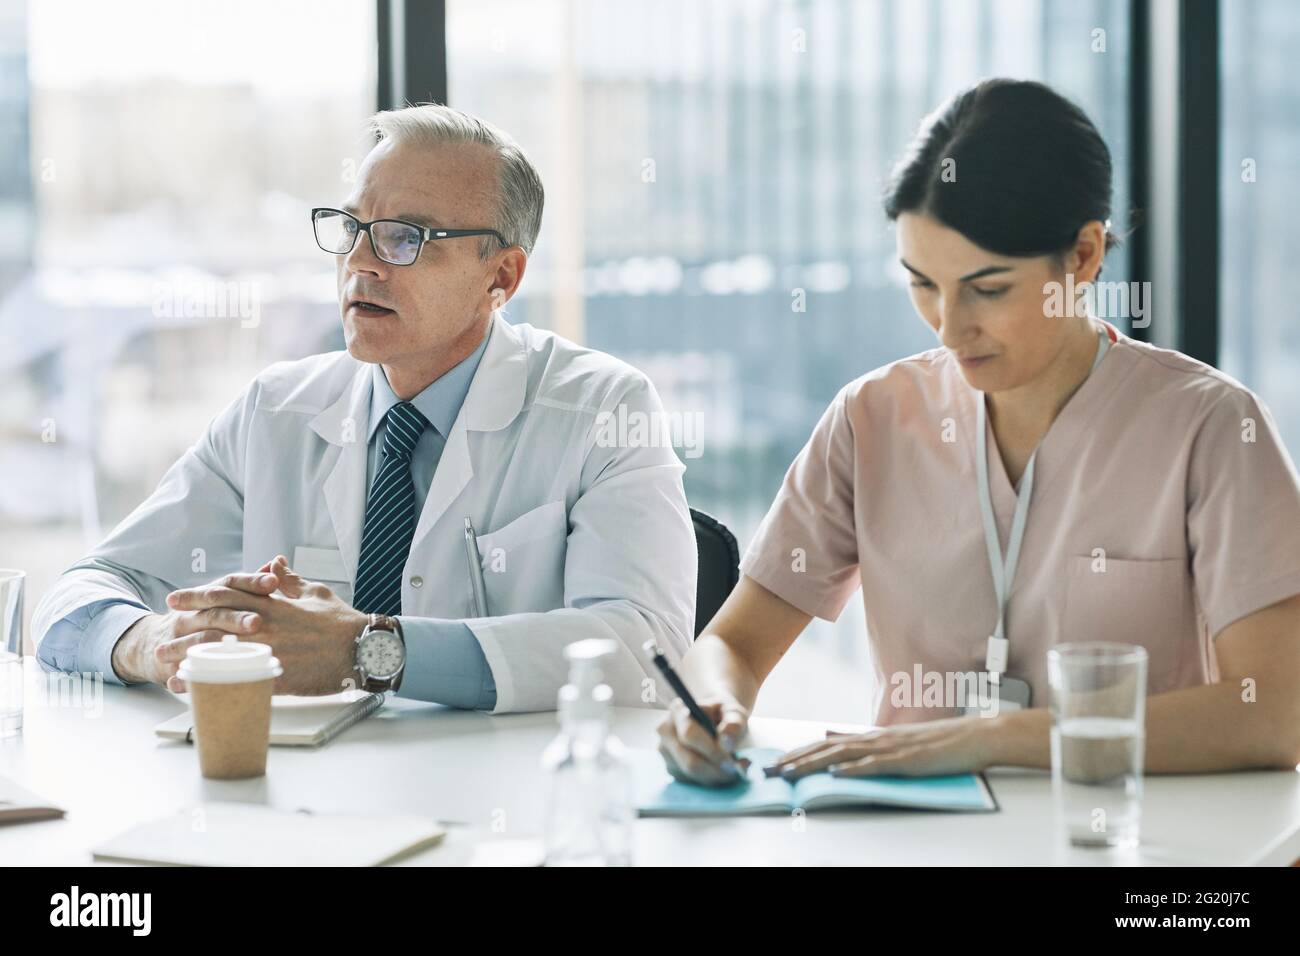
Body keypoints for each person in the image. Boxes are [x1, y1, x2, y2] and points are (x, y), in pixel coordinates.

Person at [657, 78, 1300, 785]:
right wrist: (711, 704)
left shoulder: (1211, 427)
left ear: (1083, 257)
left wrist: (990, 739)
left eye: (988, 290)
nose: (949, 325)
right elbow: (737, 644)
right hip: (917, 841)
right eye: (922, 282)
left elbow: (1273, 713)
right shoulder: (871, 418)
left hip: (1127, 842)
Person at [34, 103, 696, 713]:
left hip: (504, 810)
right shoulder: (275, 412)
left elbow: (645, 648)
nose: (359, 261)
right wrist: (154, 641)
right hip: (303, 802)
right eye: (352, 227)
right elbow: (77, 598)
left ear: (502, 276)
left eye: (404, 237)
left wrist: (370, 651)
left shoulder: (605, 409)